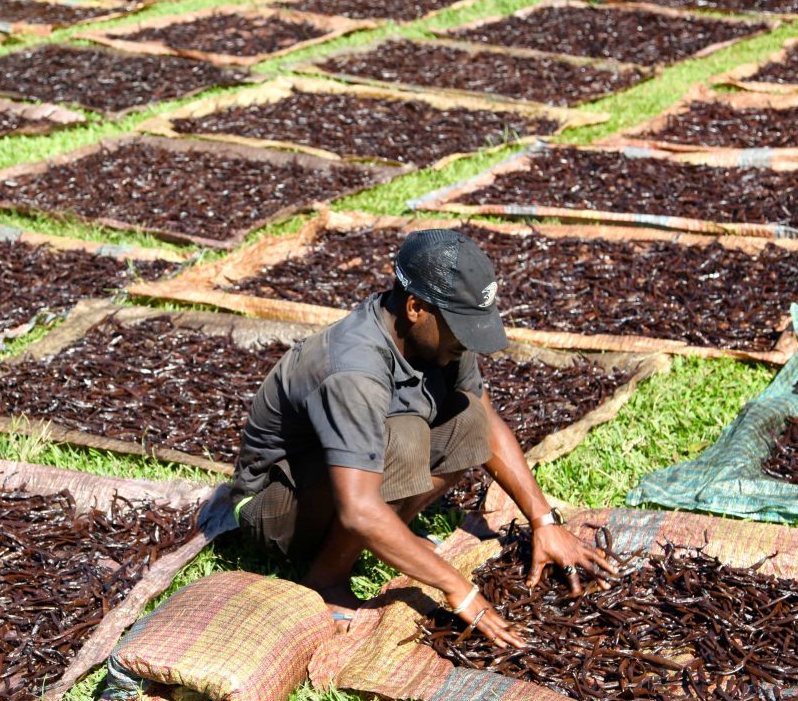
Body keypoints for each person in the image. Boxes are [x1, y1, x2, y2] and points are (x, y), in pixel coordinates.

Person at [228, 229, 617, 648]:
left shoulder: (441, 338)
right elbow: (358, 508)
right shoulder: (354, 369)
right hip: (272, 513)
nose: (469, 344)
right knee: (405, 435)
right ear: (416, 307)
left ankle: (388, 536)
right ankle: (326, 579)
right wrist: (457, 587)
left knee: (468, 419)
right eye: (461, 329)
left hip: (341, 488)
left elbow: (485, 418)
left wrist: (543, 521)